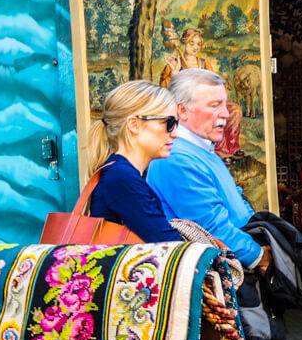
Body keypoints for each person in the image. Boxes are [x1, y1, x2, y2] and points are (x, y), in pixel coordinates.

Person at [147, 69, 270, 274]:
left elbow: (237, 202)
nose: (226, 113)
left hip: (229, 269)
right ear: (182, 111)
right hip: (211, 277)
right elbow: (211, 227)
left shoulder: (202, 150)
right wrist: (259, 256)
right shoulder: (177, 158)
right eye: (215, 105)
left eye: (224, 104)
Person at [85, 80, 185, 243]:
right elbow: (171, 247)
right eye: (169, 123)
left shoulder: (120, 172)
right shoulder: (122, 178)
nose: (176, 133)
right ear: (134, 125)